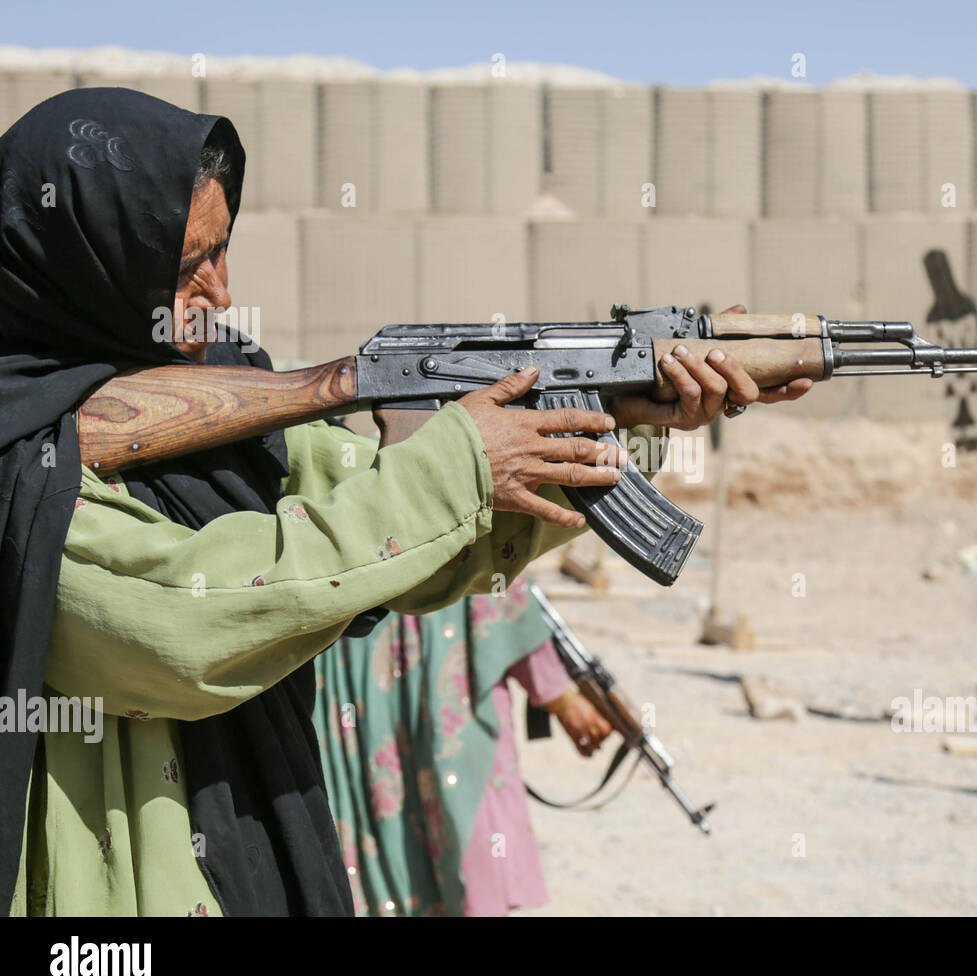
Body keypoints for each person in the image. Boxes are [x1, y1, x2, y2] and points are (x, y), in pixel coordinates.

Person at [0, 87, 809, 916]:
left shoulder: (229, 403)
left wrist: (618, 414)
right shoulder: (20, 458)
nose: (218, 287)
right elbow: (178, 626)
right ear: (90, 267)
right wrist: (455, 465)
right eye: (182, 266)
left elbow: (393, 533)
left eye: (222, 249)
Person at [314, 575, 610, 916]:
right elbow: (499, 564)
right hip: (438, 659)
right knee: (463, 818)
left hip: (351, 652)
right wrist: (558, 694)